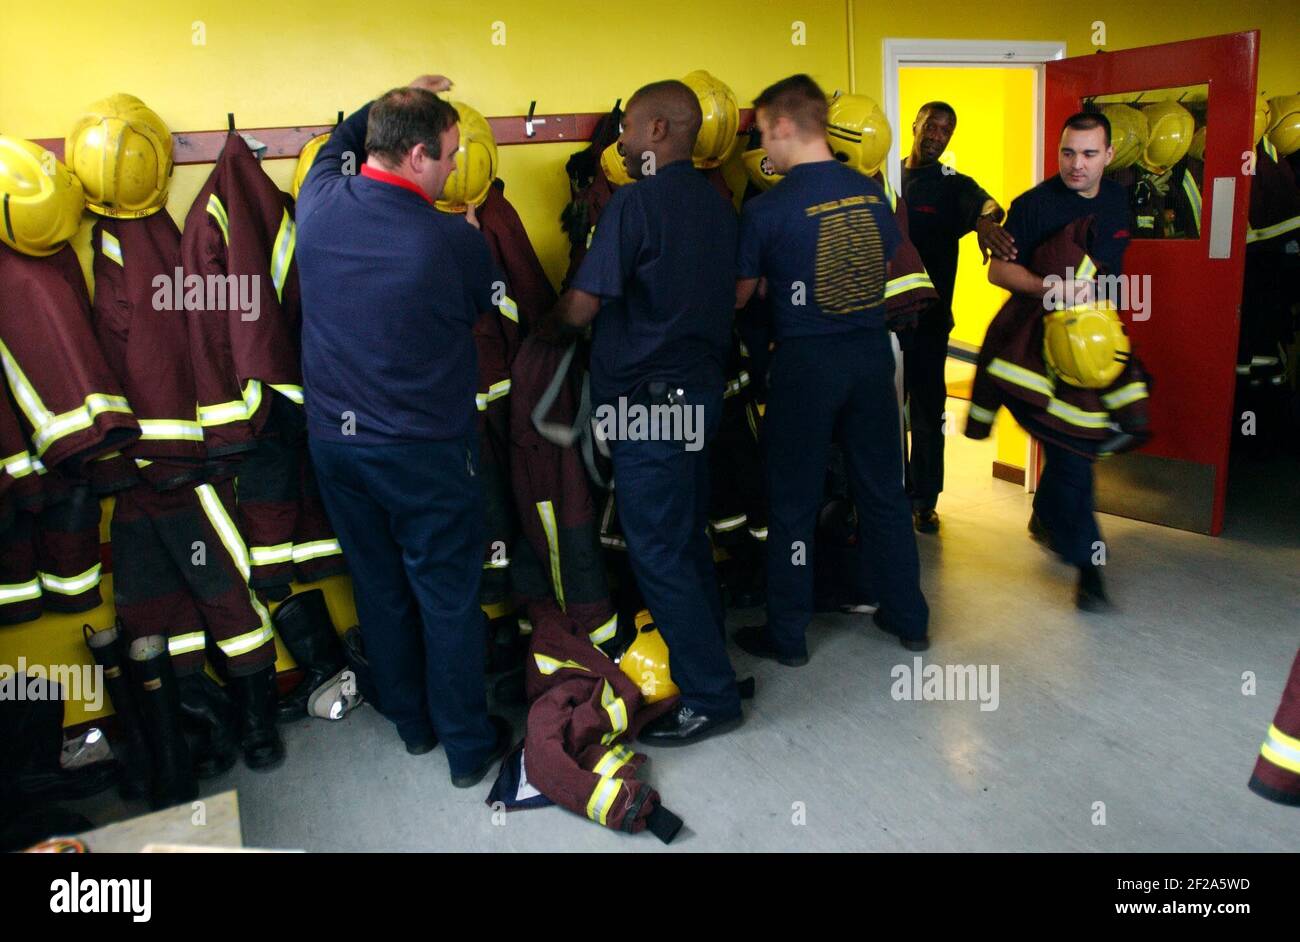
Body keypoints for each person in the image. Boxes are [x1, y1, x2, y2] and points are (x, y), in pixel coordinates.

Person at [294, 75, 511, 786]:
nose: (453, 167)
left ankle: (413, 726)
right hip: (425, 454)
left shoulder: (319, 203)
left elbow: (339, 140)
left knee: (378, 586)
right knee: (447, 598)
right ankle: (467, 748)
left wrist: (394, 97)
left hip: (337, 446)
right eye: (447, 153)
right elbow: (482, 312)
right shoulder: (454, 241)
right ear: (418, 155)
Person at [548, 80, 744, 746]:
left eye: (628, 129)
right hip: (700, 401)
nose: (620, 144)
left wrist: (536, 339)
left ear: (660, 130)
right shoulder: (719, 206)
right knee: (687, 542)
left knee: (660, 552)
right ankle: (711, 668)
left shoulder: (634, 206)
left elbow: (580, 308)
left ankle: (713, 698)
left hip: (649, 412)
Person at [732, 74, 931, 663]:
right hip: (872, 359)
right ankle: (909, 617)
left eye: (766, 132)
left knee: (791, 503)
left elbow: (740, 297)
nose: (764, 147)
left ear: (787, 126)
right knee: (885, 495)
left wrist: (769, 282)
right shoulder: (872, 192)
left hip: (806, 365)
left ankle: (788, 635)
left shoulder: (768, 209)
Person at [988, 112, 1130, 610]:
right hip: (1041, 347)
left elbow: (1112, 272)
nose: (1077, 164)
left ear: (1109, 156)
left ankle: (1047, 513)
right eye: (1068, 152)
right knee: (1074, 454)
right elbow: (998, 273)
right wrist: (1050, 287)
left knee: (1089, 442)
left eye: (1089, 154)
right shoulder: (1032, 206)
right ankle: (1090, 569)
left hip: (1096, 338)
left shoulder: (1118, 201)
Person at [900, 102, 1016, 533]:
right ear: (915, 124)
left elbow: (986, 203)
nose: (936, 136)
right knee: (885, 410)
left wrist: (987, 221)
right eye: (931, 126)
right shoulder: (887, 178)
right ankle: (887, 495)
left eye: (946, 131)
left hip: (929, 323)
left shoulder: (951, 184)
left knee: (929, 411)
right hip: (883, 324)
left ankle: (924, 500)